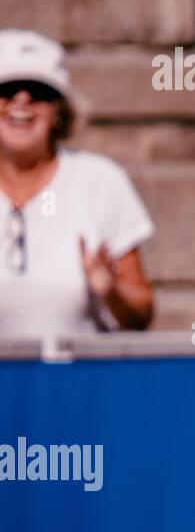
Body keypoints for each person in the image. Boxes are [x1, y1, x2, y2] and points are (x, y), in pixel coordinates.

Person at [0, 29, 155, 338]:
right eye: (8, 90)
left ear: (59, 111)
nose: (22, 100)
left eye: (39, 91)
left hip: (78, 368)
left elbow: (141, 313)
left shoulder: (101, 181)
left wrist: (111, 290)